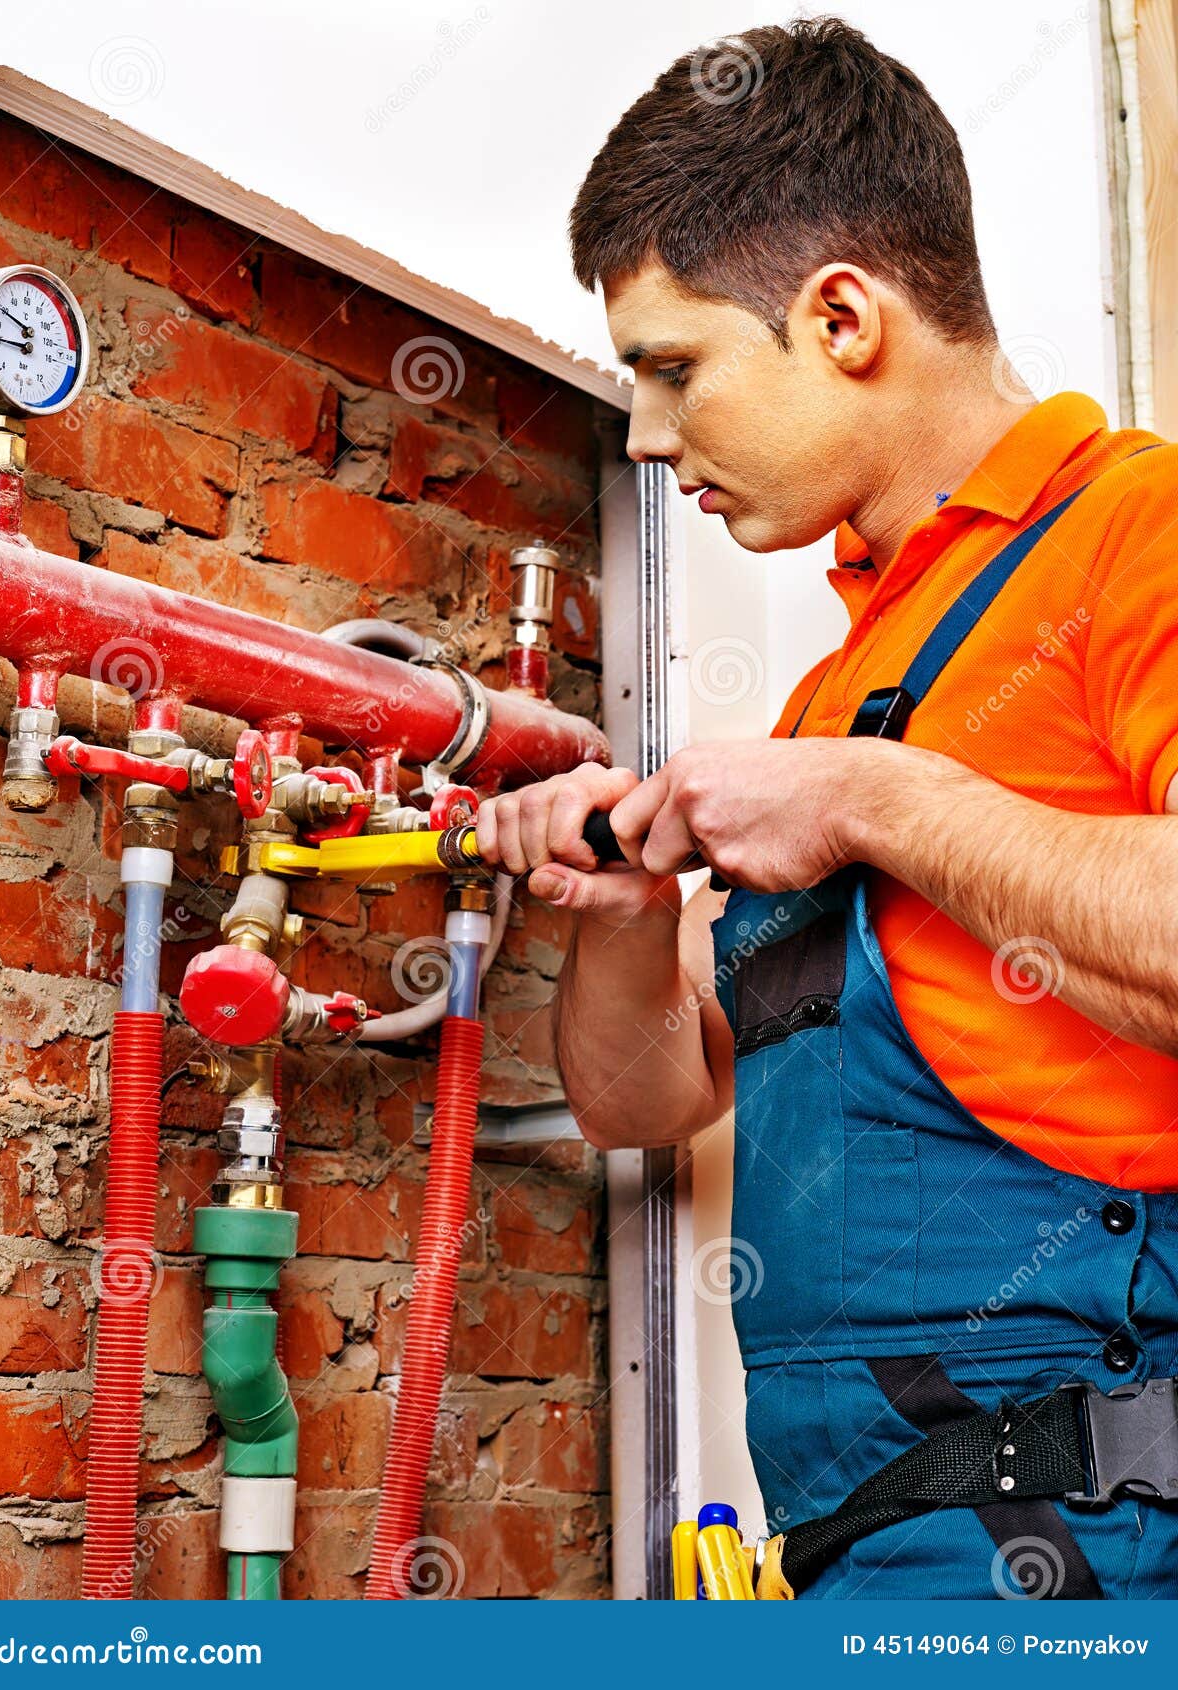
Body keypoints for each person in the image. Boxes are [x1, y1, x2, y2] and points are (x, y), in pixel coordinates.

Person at [475, 17, 1178, 1600]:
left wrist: (876, 797)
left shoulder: (1136, 533)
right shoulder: (849, 682)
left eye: (673, 368)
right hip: (864, 1550)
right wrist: (625, 915)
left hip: (1093, 1547)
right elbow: (650, 1103)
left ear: (843, 316)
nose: (651, 437)